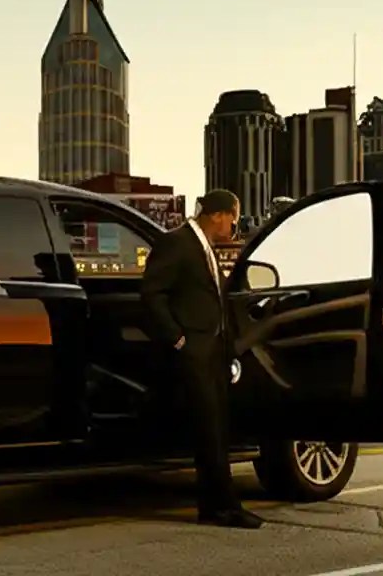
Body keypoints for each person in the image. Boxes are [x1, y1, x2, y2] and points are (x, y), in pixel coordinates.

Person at [139, 189, 265, 529]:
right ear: (218, 215)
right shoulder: (176, 243)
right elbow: (152, 294)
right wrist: (179, 340)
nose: (235, 227)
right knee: (209, 432)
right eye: (234, 219)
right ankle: (222, 507)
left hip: (213, 354)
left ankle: (218, 506)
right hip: (193, 353)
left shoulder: (206, 248)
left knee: (218, 431)